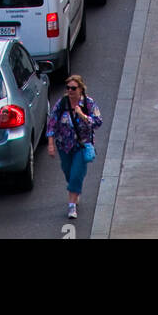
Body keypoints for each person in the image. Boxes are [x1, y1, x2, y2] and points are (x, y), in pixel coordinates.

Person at [47, 74, 102, 222]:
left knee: (77, 173)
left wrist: (82, 115)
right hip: (64, 145)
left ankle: (72, 204)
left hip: (81, 145)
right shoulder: (62, 103)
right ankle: (74, 189)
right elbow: (52, 122)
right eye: (68, 88)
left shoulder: (88, 103)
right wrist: (51, 143)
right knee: (68, 171)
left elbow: (98, 122)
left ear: (80, 89)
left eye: (73, 88)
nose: (70, 91)